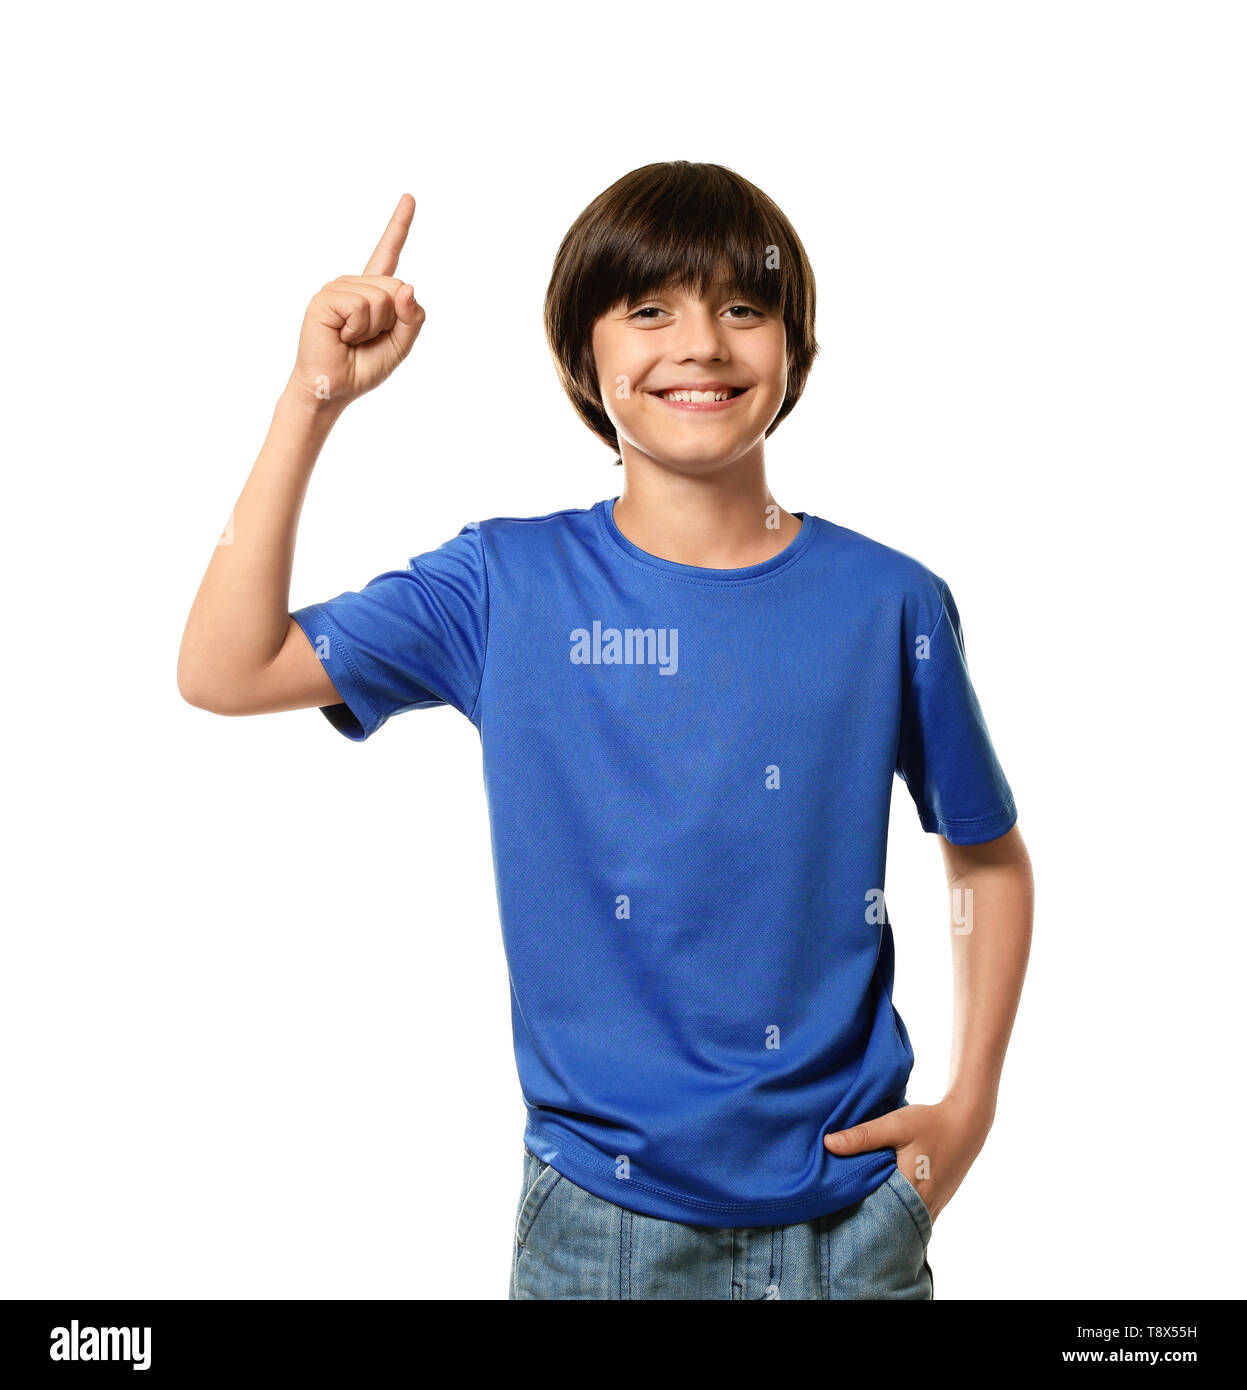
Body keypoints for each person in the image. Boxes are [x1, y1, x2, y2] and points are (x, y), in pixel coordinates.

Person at [178, 162, 1034, 1301]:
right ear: (586, 357)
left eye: (743, 307)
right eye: (649, 309)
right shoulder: (500, 585)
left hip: (852, 1217)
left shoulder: (890, 601)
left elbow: (984, 852)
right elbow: (225, 668)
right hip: (598, 1233)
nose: (702, 343)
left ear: (793, 346)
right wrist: (310, 399)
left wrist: (966, 1109)